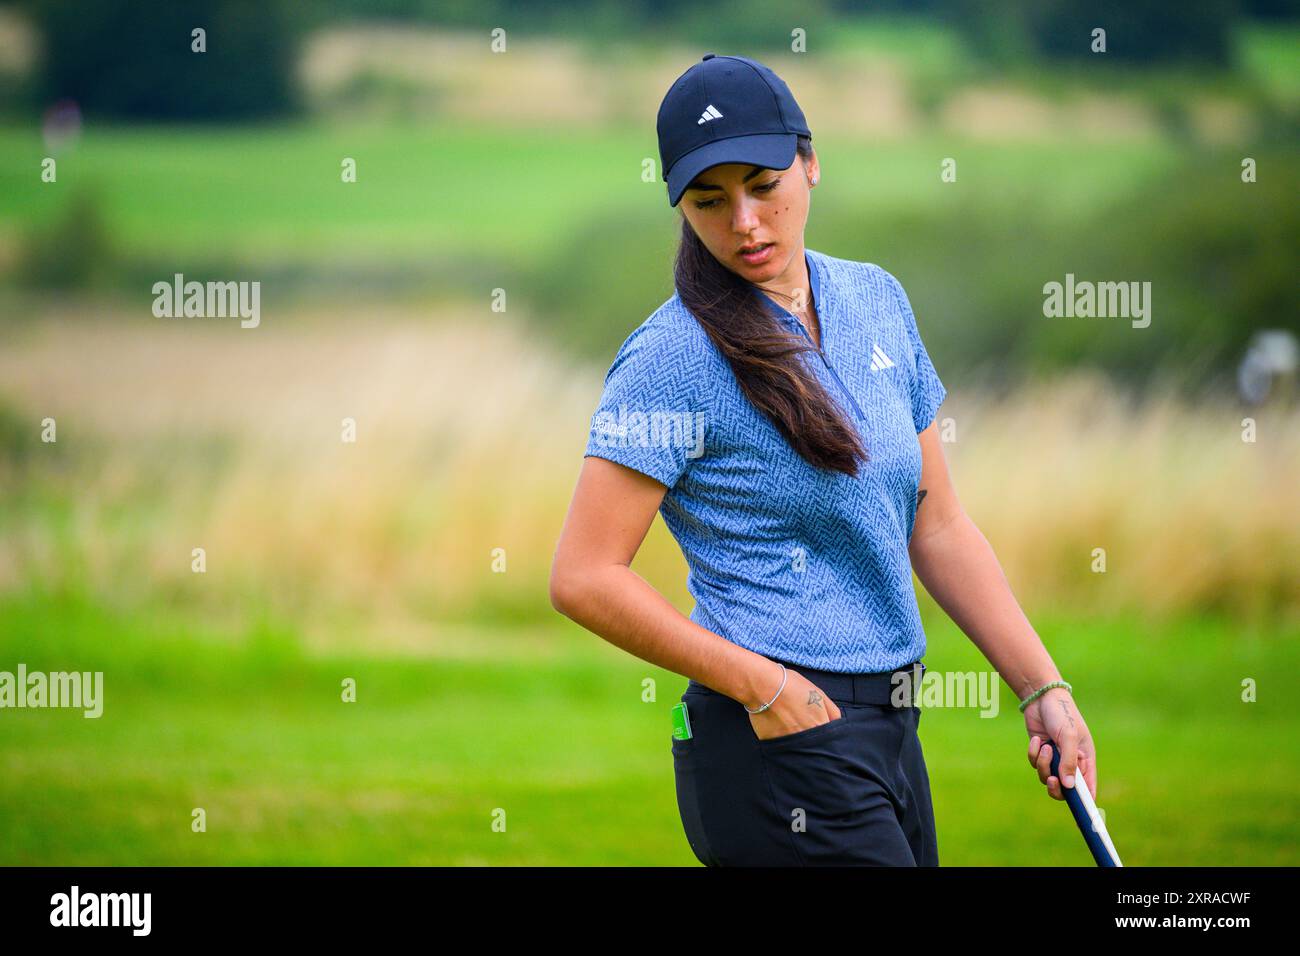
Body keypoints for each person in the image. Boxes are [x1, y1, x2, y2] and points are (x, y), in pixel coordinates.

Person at [549, 53, 1097, 866]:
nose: (743, 222)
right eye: (709, 201)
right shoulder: (671, 358)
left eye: (763, 186)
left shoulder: (877, 299)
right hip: (773, 736)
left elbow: (936, 523)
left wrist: (1041, 687)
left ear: (810, 162)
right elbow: (584, 576)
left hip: (889, 726)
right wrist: (762, 686)